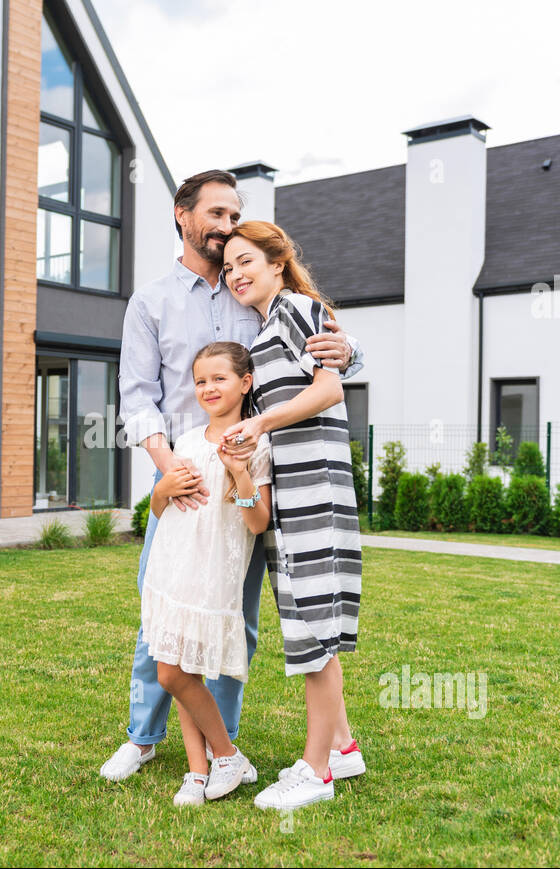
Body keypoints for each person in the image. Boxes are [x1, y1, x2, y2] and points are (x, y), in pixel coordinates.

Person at [101, 168, 365, 783]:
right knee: (159, 611)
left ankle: (225, 749)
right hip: (182, 479)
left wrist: (351, 351)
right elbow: (137, 398)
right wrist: (170, 473)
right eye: (215, 215)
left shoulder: (254, 292)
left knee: (236, 618)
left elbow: (322, 345)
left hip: (249, 477)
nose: (224, 227)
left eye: (233, 215)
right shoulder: (151, 302)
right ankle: (143, 737)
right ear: (181, 215)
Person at [220, 221, 365, 810]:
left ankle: (316, 772)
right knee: (305, 623)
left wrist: (259, 422)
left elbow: (329, 389)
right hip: (290, 502)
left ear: (278, 263)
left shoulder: (301, 310)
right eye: (228, 268)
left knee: (314, 629)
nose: (236, 274)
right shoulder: (257, 340)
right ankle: (344, 750)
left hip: (320, 494)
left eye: (246, 260)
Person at [143, 342, 273, 806]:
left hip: (213, 571)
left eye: (219, 378)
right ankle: (199, 771)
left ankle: (226, 754)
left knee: (176, 675)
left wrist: (238, 474)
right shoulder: (188, 439)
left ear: (245, 382)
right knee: (179, 668)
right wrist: (163, 487)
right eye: (200, 380)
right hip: (173, 565)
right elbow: (159, 509)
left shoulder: (255, 443)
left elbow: (256, 522)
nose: (208, 388)